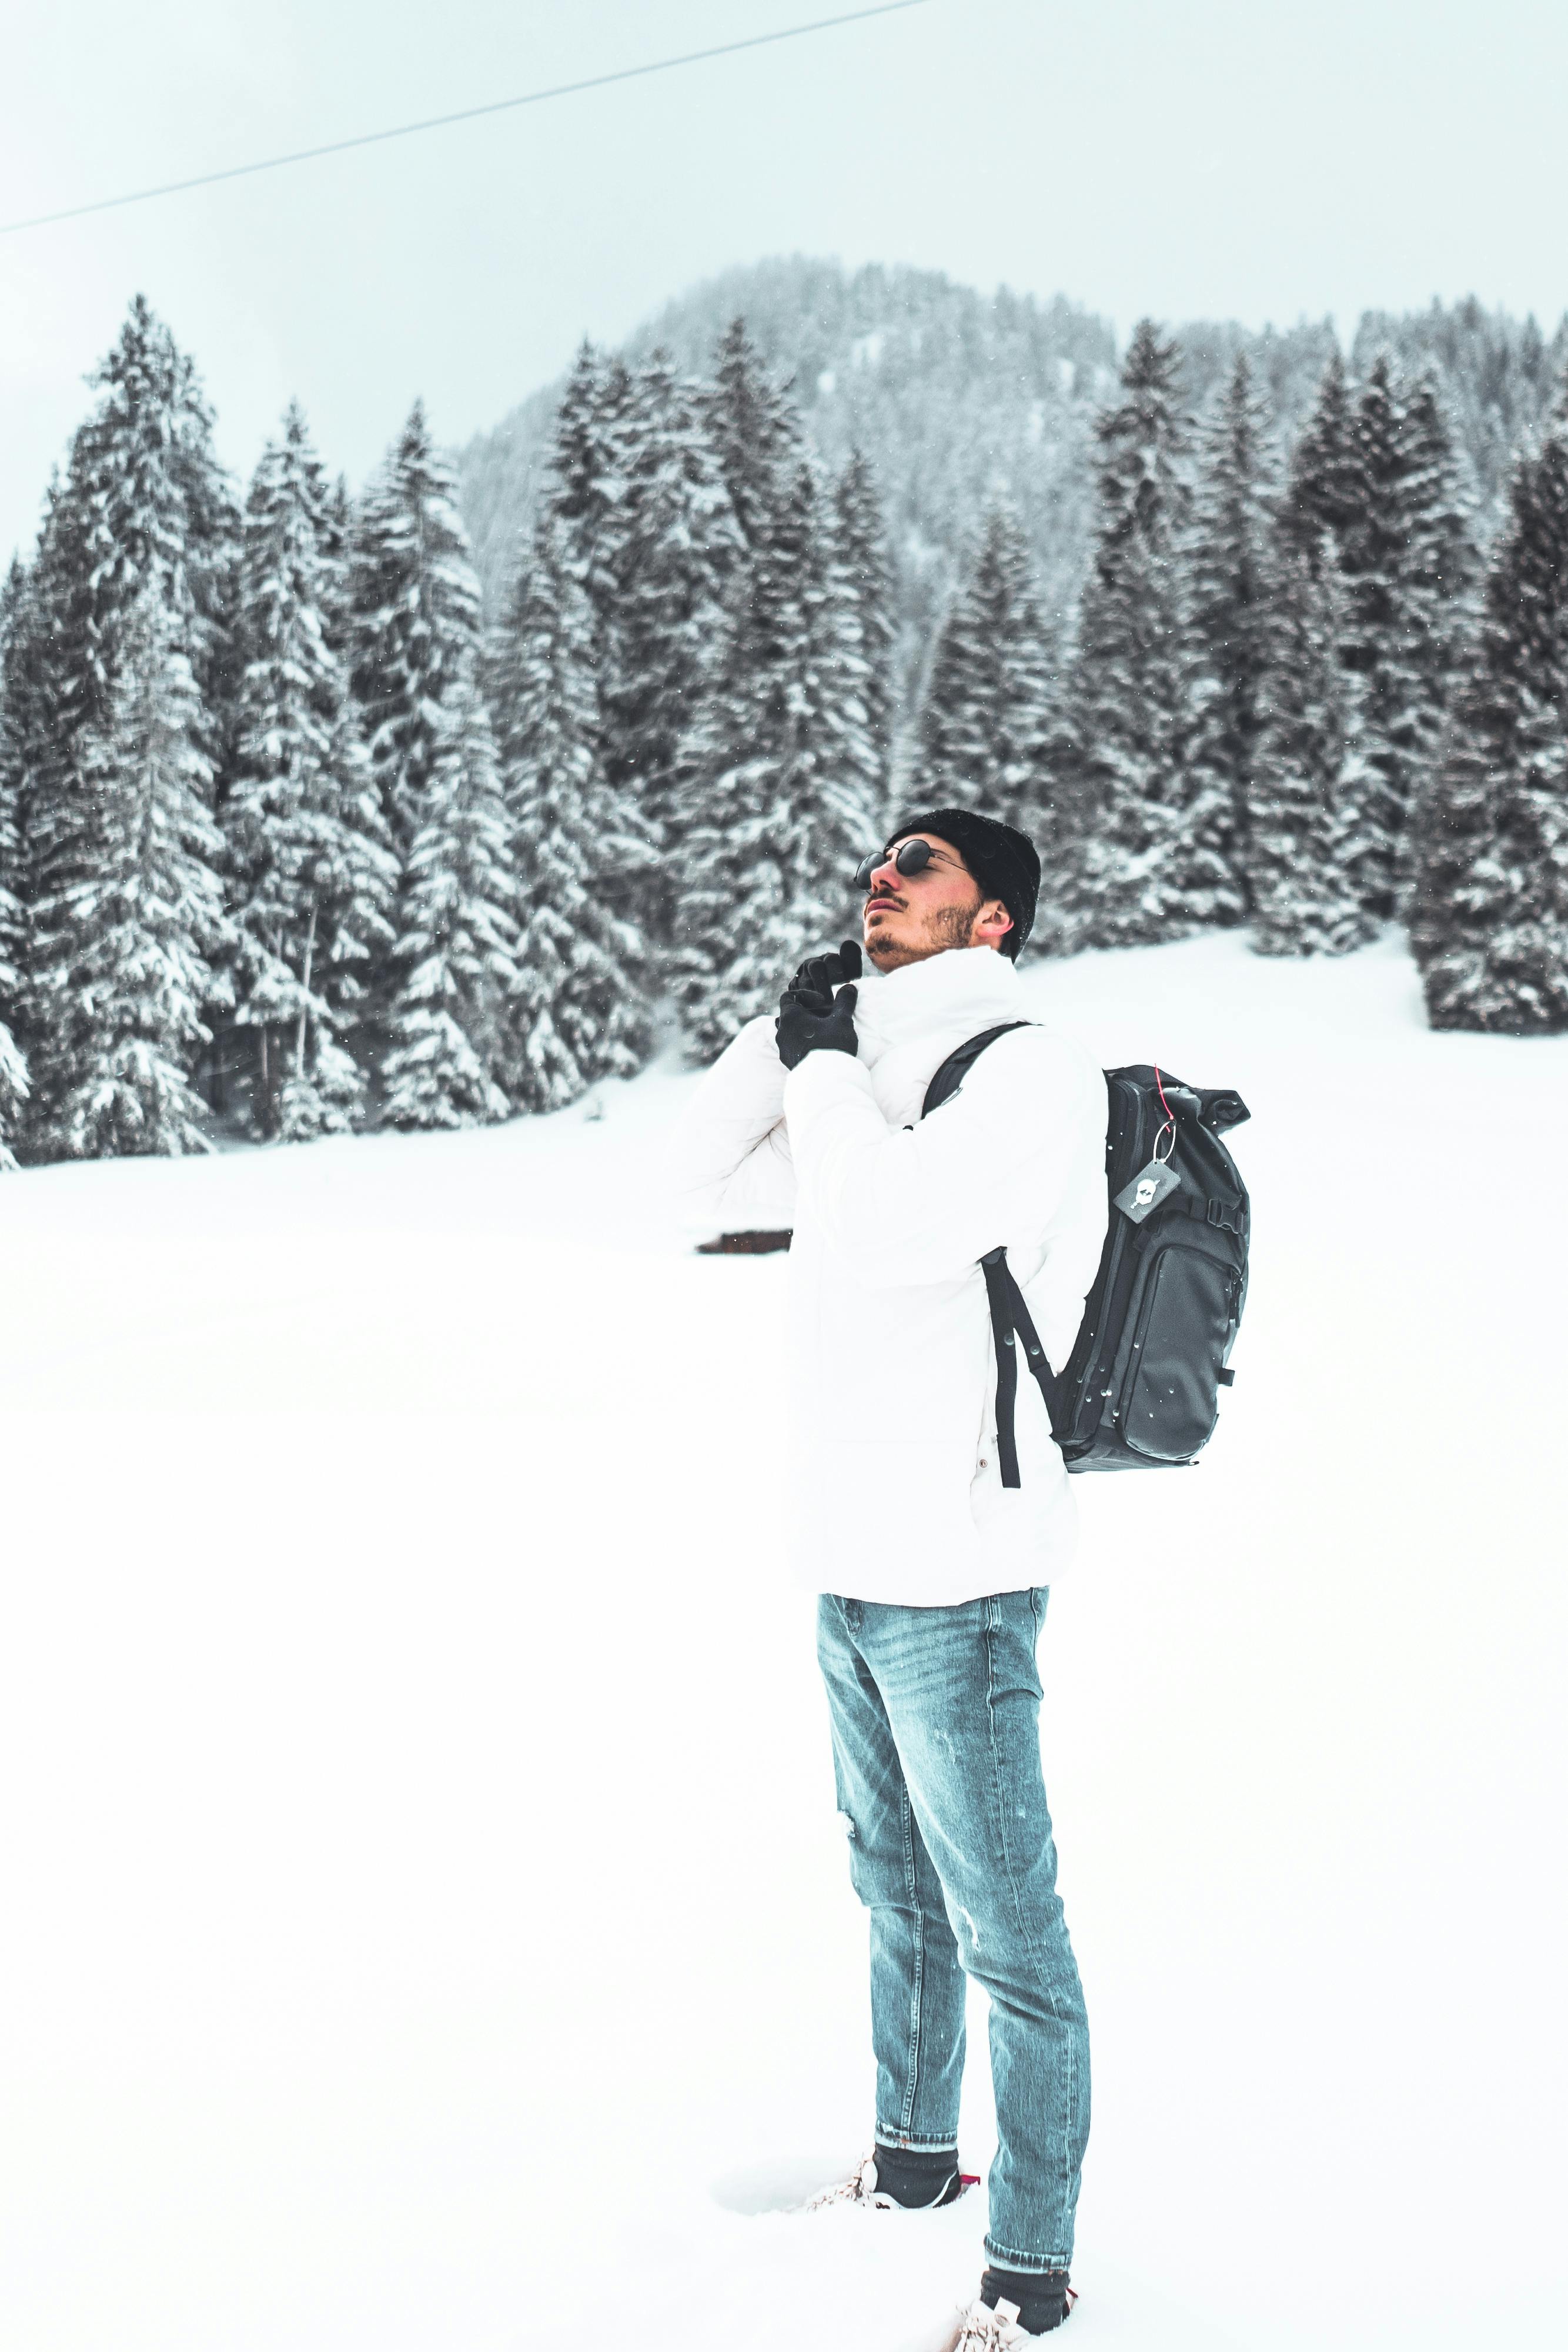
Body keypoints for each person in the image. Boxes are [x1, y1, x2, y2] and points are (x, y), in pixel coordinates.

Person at [674, 808, 1109, 2347]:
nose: (880, 874)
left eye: (919, 867)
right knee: (894, 1895)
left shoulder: (1023, 1069)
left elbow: (884, 1222)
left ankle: (1027, 2276)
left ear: (993, 920)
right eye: (877, 860)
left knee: (1009, 1936)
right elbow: (699, 1174)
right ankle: (915, 2173)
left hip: (961, 1572)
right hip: (849, 1561)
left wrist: (819, 1069)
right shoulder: (856, 1068)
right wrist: (789, 1027)